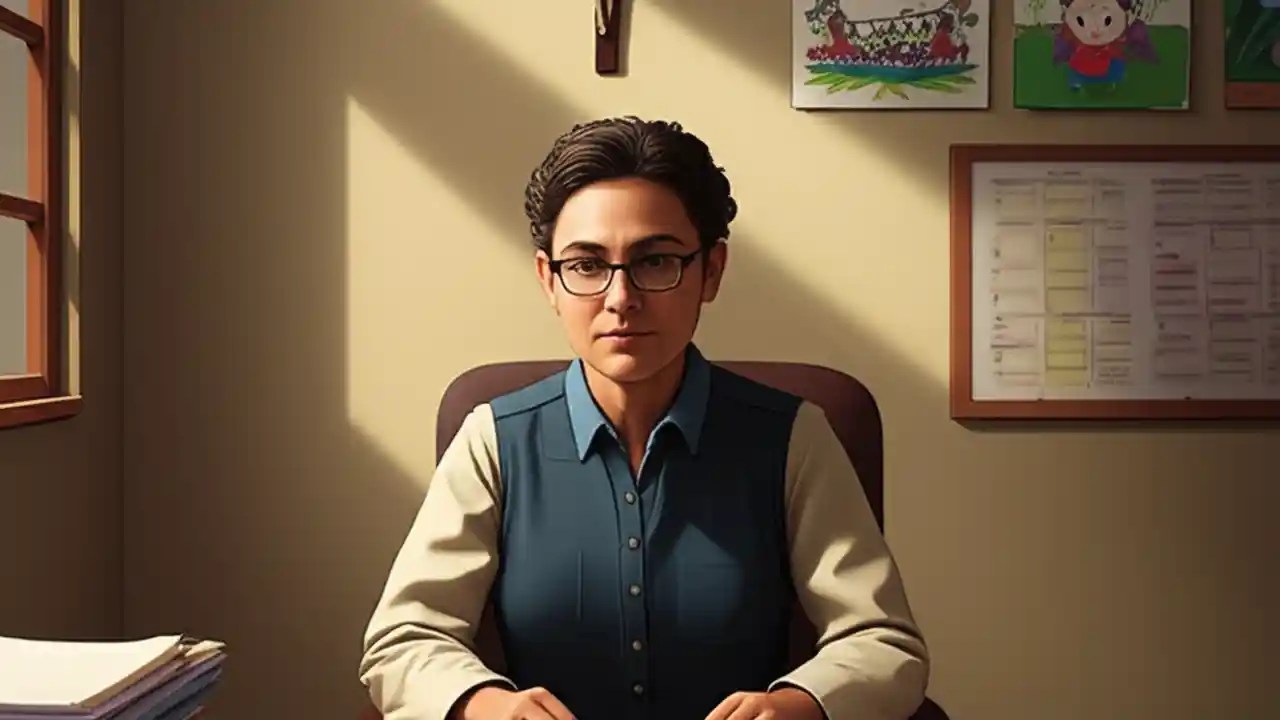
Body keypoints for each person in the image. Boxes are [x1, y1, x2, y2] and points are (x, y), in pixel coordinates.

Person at [359, 117, 929, 720]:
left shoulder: (793, 438)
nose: (620, 299)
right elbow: (404, 641)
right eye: (587, 265)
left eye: (655, 262)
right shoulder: (493, 441)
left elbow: (882, 642)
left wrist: (800, 705)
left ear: (711, 271)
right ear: (548, 280)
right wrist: (486, 707)